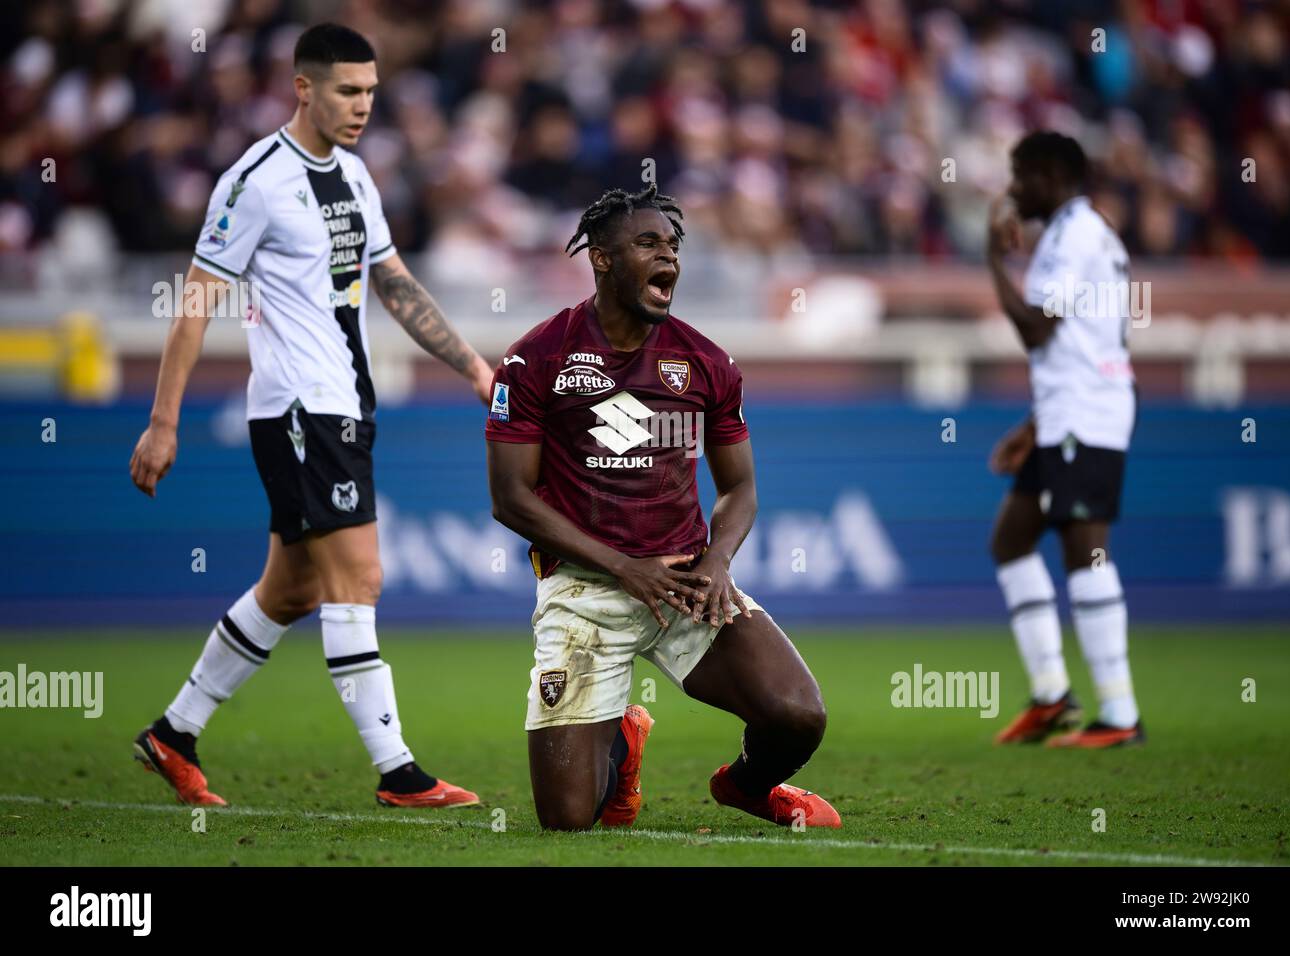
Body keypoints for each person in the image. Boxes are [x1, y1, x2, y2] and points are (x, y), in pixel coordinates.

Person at [128, 23, 494, 806]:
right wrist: (165, 421)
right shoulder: (254, 180)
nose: (363, 106)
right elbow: (196, 303)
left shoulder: (358, 177)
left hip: (344, 406)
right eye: (346, 92)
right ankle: (398, 771)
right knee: (358, 577)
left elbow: (393, 284)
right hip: (299, 410)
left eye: (369, 92)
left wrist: (469, 362)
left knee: (289, 590)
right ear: (303, 88)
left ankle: (173, 732)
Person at [485, 184, 841, 829]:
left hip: (683, 582)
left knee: (798, 715)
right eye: (648, 244)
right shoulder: (535, 357)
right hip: (584, 590)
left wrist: (717, 562)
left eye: (673, 246)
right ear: (600, 258)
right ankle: (623, 744)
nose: (668, 258)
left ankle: (746, 786)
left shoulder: (704, 361)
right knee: (567, 821)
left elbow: (740, 490)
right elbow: (510, 499)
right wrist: (624, 567)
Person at [986, 131, 1144, 748]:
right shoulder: (1082, 232)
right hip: (1067, 414)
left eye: (1020, 174)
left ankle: (1119, 713)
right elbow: (1081, 340)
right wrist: (1035, 424)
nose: (1013, 188)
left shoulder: (1071, 236)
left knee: (1087, 553)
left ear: (1051, 174)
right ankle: (1052, 696)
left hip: (1087, 416)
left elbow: (1037, 331)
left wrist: (992, 260)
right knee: (1011, 540)